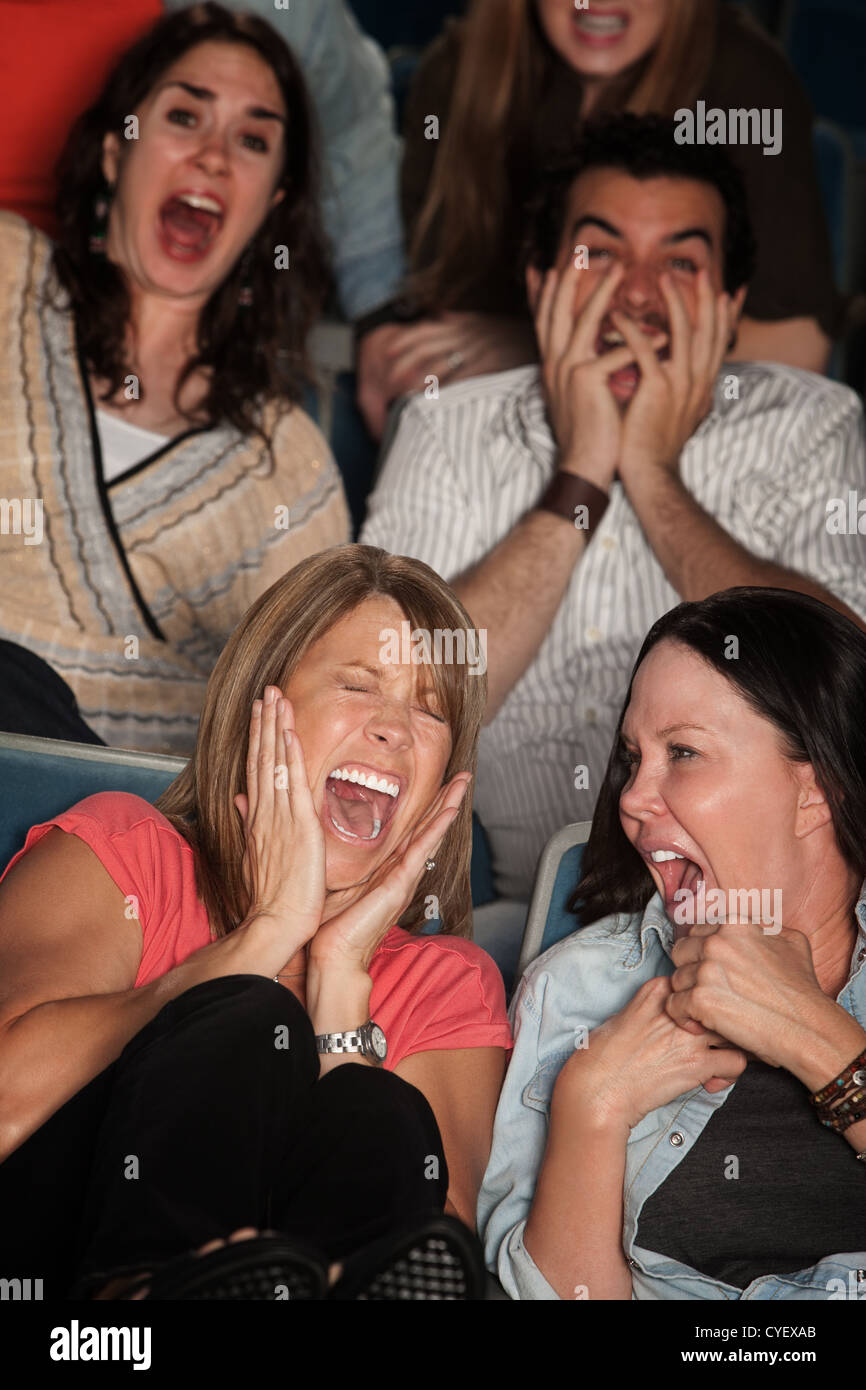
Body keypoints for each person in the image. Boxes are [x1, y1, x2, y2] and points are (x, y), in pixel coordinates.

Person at [361, 116, 866, 958]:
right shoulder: (447, 427)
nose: (636, 296)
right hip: (525, 924)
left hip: (776, 918)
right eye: (600, 255)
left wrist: (656, 476)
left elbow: (848, 701)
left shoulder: (814, 425)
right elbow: (396, 696)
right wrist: (584, 474)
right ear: (540, 281)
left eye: (679, 262)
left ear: (731, 305)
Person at [0, 545, 511, 1301]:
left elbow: (434, 1251)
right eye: (358, 684)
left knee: (376, 1101)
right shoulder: (123, 852)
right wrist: (263, 937)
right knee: (249, 1015)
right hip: (68, 1307)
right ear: (260, 707)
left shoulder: (449, 981)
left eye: (431, 710)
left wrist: (340, 983)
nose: (395, 729)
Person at [479, 586, 866, 1300]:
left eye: (683, 752)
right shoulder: (576, 988)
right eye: (633, 758)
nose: (631, 796)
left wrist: (821, 1042)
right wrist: (593, 1102)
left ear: (816, 791)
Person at [0, 4, 350, 754]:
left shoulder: (288, 461)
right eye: (185, 116)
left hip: (135, 826)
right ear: (112, 153)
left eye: (252, 140)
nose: (215, 156)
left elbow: (306, 717)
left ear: (273, 202)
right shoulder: (6, 272)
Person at [363, 0, 841, 429]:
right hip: (502, 428)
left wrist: (538, 344)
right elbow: (438, 316)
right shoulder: (457, 71)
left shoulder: (749, 85)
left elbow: (796, 354)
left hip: (689, 437)